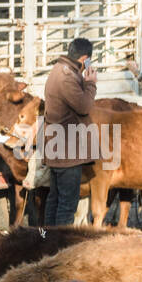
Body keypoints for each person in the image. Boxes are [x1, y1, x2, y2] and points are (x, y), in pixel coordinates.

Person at [40, 37, 98, 226]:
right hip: (67, 150)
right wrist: (90, 83)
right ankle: (60, 248)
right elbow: (84, 106)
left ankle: (47, 241)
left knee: (54, 200)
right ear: (84, 58)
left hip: (59, 148)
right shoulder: (67, 76)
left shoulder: (59, 70)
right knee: (66, 205)